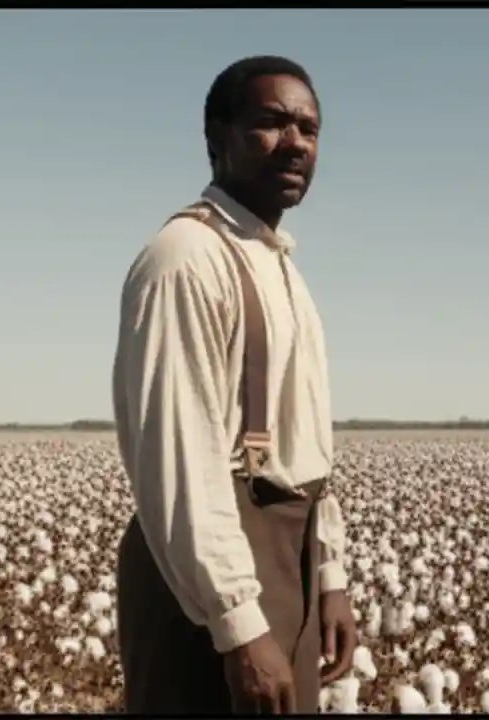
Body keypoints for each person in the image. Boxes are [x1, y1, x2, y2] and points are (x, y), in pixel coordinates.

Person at [112, 55, 357, 714]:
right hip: (215, 581)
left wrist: (327, 573)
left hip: (282, 562)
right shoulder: (185, 260)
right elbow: (181, 460)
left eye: (309, 128)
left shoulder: (281, 269)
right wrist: (239, 625)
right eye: (271, 123)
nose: (297, 143)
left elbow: (305, 448)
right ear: (216, 138)